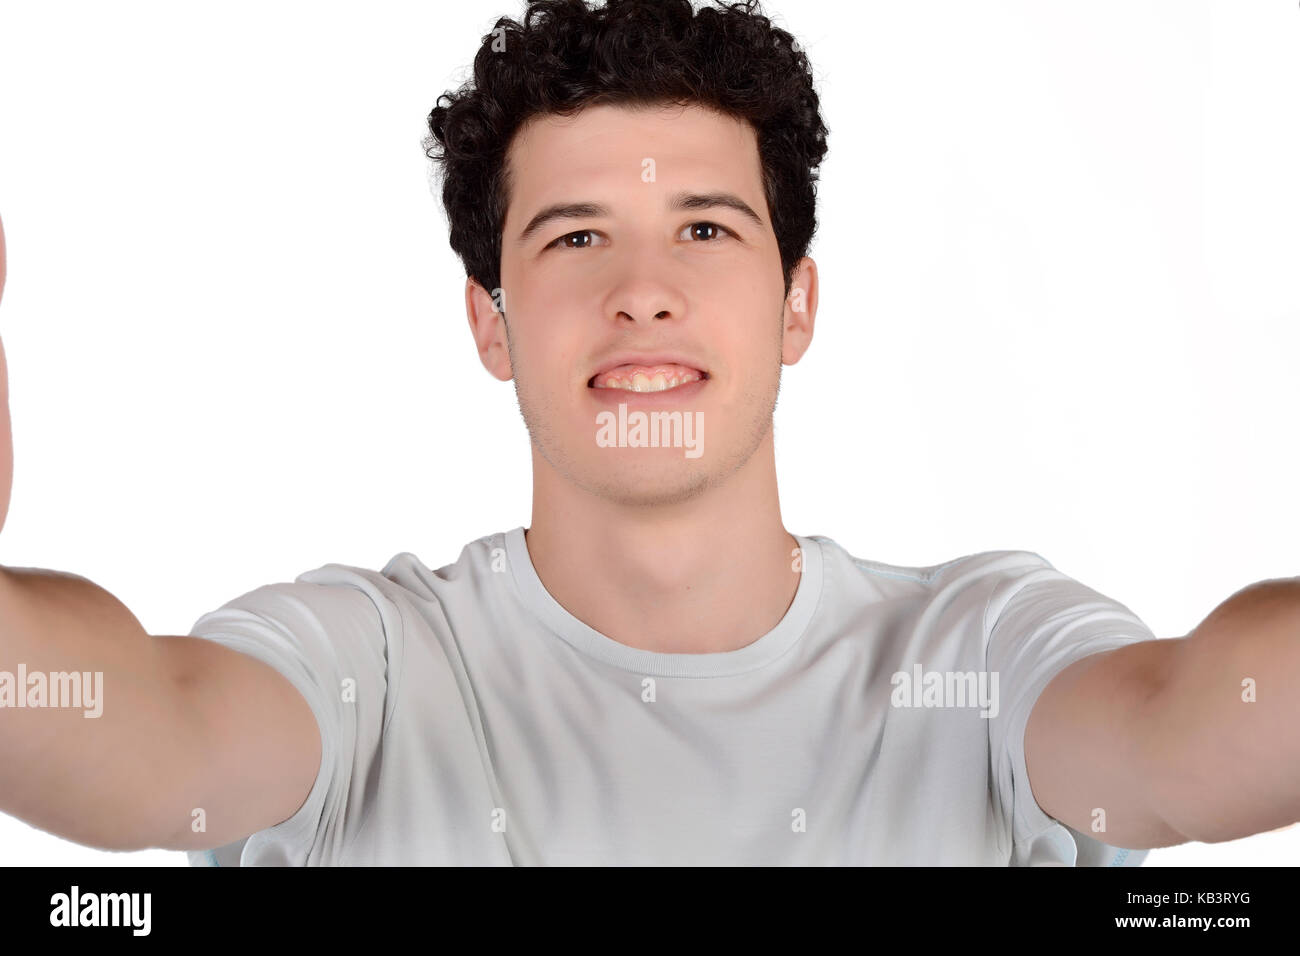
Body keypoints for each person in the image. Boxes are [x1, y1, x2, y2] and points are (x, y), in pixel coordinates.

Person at [2, 0, 1296, 867]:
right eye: (575, 237)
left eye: (706, 227)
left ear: (798, 303)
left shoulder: (977, 657)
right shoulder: (379, 670)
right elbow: (144, 730)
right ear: (490, 324)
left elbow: (1186, 735)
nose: (642, 290)